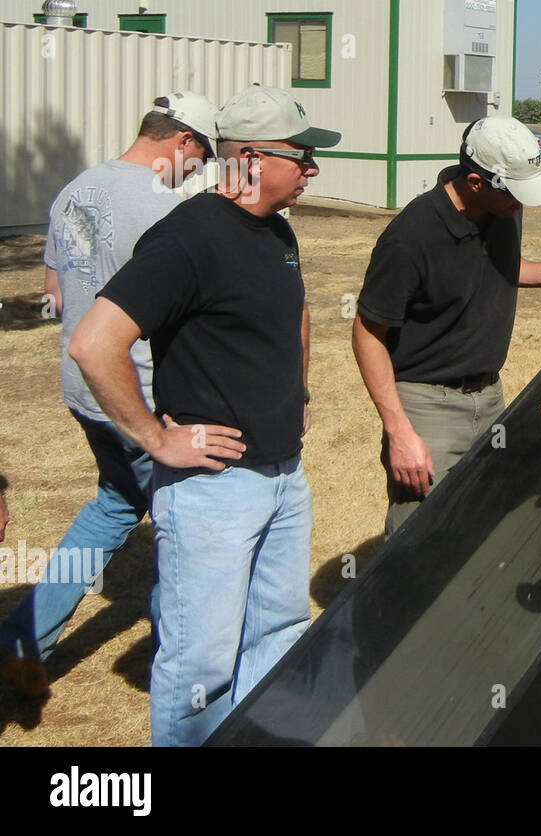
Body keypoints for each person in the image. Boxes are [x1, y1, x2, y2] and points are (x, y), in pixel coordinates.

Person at [68, 84, 340, 745]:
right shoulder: (186, 239)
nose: (313, 169)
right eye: (301, 155)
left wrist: (297, 395)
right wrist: (157, 437)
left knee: (277, 638)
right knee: (202, 665)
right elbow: (93, 342)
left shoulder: (276, 230)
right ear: (249, 157)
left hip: (283, 479)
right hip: (215, 491)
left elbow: (294, 314)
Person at [0, 91, 218, 699]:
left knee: (113, 507)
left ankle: (22, 637)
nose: (198, 170)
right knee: (185, 524)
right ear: (182, 141)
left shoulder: (75, 189)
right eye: (199, 157)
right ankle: (183, 662)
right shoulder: (162, 207)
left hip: (85, 389)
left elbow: (56, 289)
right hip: (139, 391)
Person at [353, 115, 541, 538]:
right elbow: (367, 332)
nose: (521, 204)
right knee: (420, 537)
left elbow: (499, 268)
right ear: (476, 182)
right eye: (515, 194)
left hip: (490, 395)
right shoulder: (410, 238)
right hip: (426, 405)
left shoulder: (502, 207)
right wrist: (399, 431)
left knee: (478, 525)